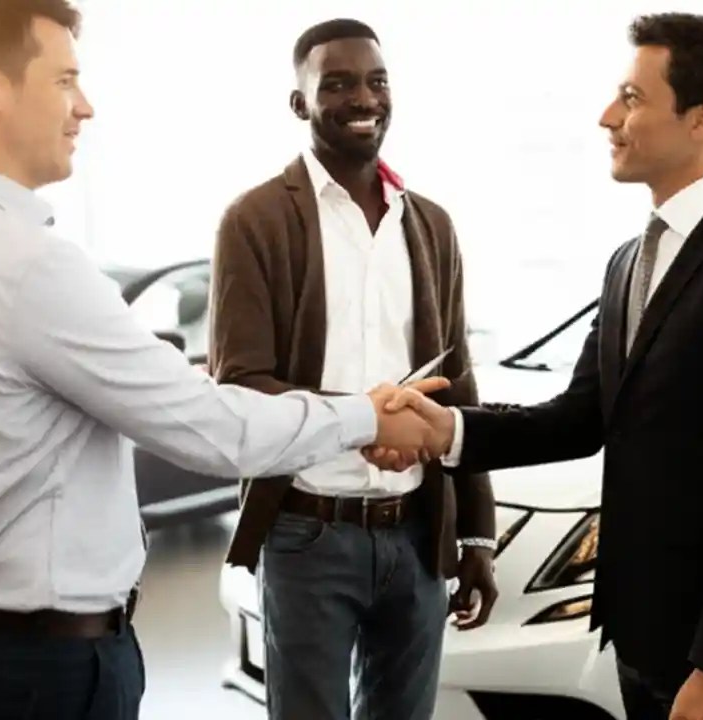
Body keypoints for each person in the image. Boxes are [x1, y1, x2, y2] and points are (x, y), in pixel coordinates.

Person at [0, 3, 441, 719]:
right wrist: (368, 415)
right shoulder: (29, 265)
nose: (85, 106)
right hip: (38, 667)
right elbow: (214, 432)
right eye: (65, 80)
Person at [374, 12, 703, 720]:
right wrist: (448, 433)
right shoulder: (629, 262)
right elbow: (581, 417)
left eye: (632, 97)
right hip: (643, 641)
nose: (606, 117)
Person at [209, 18, 498, 720]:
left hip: (416, 533)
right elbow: (242, 385)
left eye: (375, 81)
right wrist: (366, 421)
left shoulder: (429, 224)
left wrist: (477, 534)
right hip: (308, 530)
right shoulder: (255, 221)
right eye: (336, 84)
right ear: (300, 103)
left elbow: (457, 385)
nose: (362, 98)